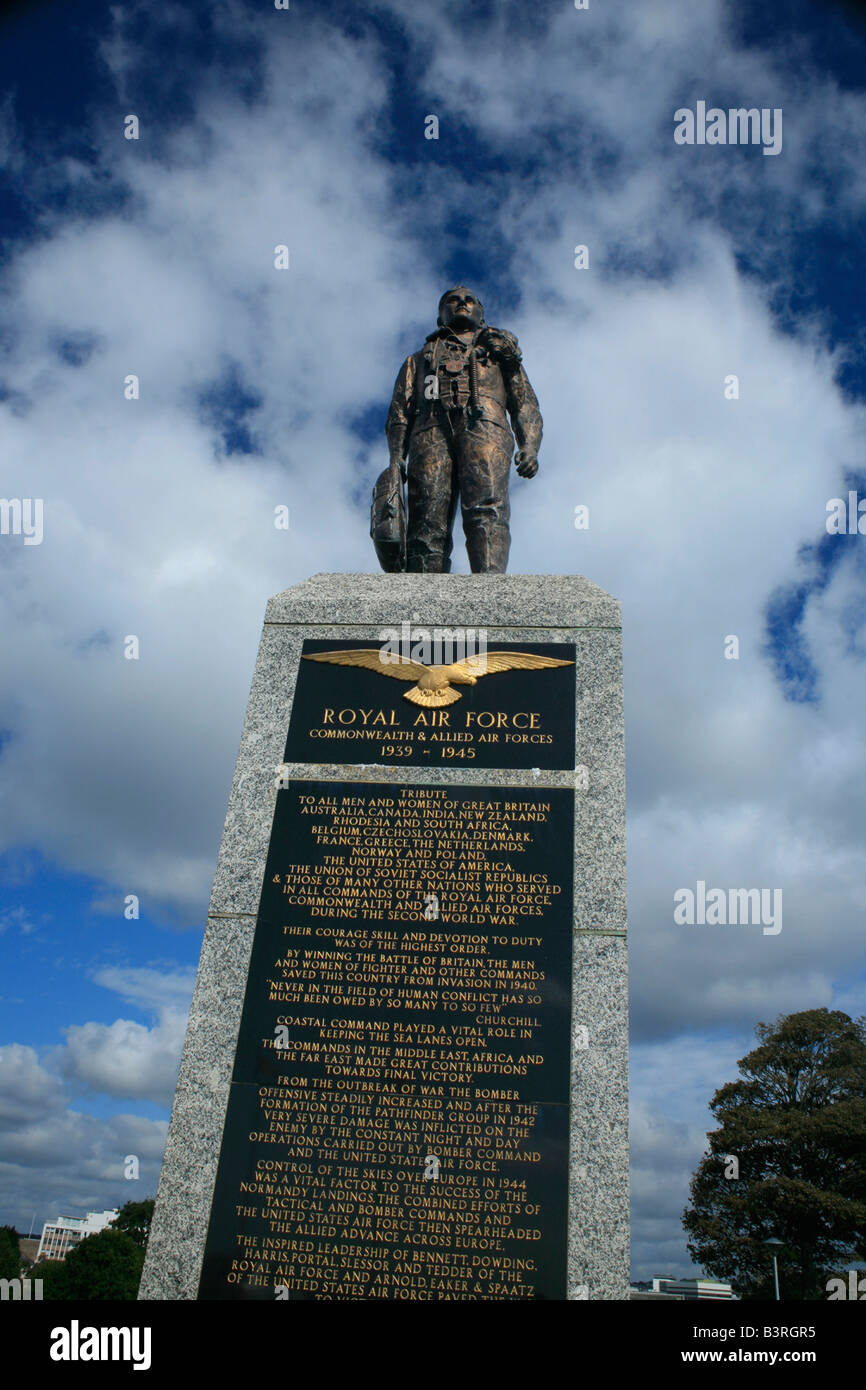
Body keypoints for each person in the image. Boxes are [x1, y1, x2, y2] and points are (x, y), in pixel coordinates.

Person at [383, 286, 542, 573]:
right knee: (427, 517)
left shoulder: (501, 355)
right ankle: (422, 598)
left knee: (488, 508)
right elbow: (399, 412)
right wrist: (396, 458)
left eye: (470, 301)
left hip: (485, 427)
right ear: (440, 316)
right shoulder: (417, 361)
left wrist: (529, 445)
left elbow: (525, 404)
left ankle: (489, 592)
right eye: (452, 301)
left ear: (481, 315)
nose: (462, 304)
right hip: (430, 432)